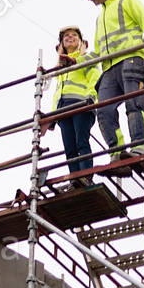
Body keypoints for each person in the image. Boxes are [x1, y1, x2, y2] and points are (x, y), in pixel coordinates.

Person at [81, 0, 144, 176]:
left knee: (134, 104)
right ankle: (118, 156)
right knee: (104, 111)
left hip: (131, 59)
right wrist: (75, 62)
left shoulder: (127, 1)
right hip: (109, 69)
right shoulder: (100, 19)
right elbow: (97, 53)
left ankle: (139, 151)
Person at [45, 25, 99, 190]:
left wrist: (91, 99)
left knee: (81, 142)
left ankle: (86, 178)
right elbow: (57, 92)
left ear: (80, 41)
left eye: (74, 35)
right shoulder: (61, 66)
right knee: (70, 148)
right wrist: (54, 116)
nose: (70, 37)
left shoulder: (85, 58)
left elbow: (95, 79)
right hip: (63, 110)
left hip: (81, 105)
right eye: (66, 36)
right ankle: (75, 180)